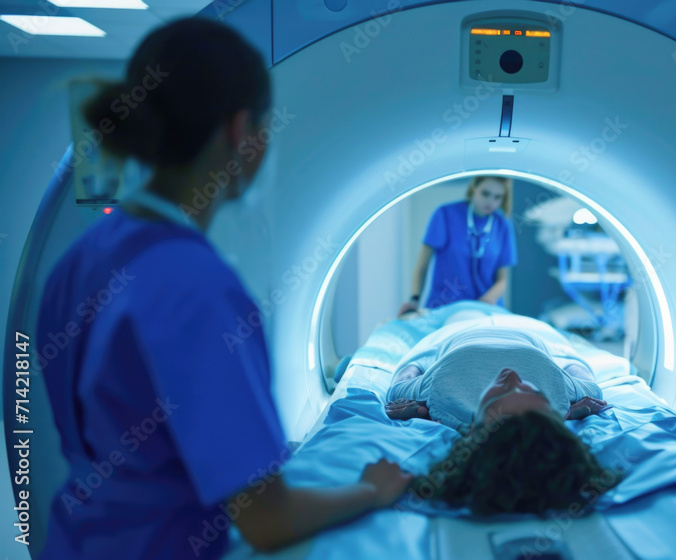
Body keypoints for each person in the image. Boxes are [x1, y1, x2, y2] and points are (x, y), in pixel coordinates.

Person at [35, 18, 410, 560]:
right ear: (240, 133)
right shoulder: (199, 289)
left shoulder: (80, 259)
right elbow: (267, 519)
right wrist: (371, 490)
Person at [383, 314, 618, 514]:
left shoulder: (444, 397)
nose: (512, 375)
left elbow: (403, 378)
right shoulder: (558, 393)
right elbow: (579, 370)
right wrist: (565, 411)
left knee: (448, 312)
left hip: (455, 329)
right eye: (530, 389)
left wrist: (422, 407)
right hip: (531, 328)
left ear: (474, 428)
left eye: (498, 392)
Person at [398, 176, 517, 316]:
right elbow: (422, 266)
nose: (491, 202)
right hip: (444, 308)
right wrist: (414, 299)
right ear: (474, 188)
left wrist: (486, 301)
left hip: (486, 311)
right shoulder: (445, 214)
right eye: (485, 194)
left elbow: (502, 280)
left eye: (498, 197)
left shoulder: (503, 225)